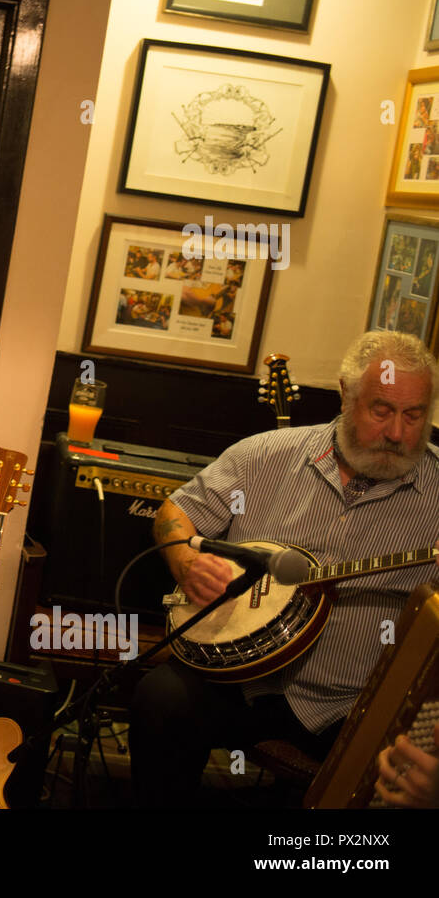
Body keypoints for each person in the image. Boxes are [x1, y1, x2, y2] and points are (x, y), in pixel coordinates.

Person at [132, 330, 439, 807]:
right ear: (346, 394)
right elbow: (176, 512)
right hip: (242, 678)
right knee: (162, 697)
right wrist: (186, 561)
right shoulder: (263, 456)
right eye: (381, 411)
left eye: (414, 415)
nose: (398, 433)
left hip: (353, 705)